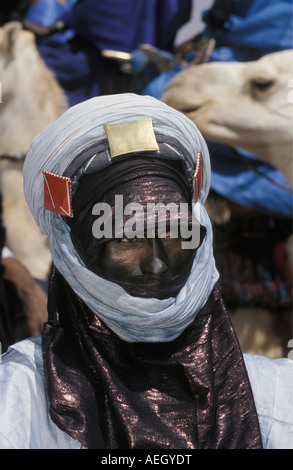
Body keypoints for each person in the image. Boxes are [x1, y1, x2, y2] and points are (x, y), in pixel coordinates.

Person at [0, 94, 292, 449]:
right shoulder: (20, 399)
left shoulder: (276, 399)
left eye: (174, 234)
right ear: (73, 250)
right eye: (126, 240)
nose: (157, 263)